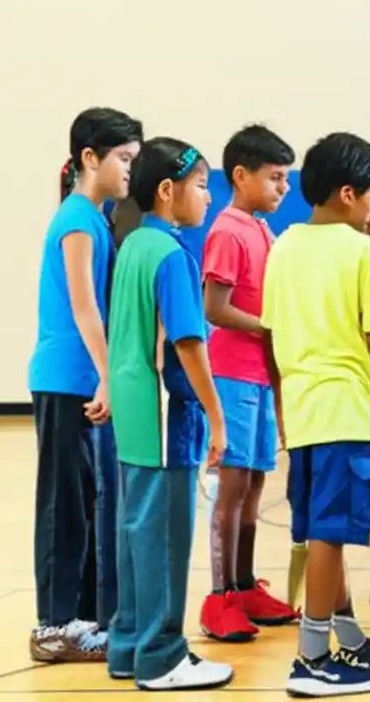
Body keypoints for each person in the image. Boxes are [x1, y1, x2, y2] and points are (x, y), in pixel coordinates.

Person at [262, 132, 370, 697]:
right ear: (348, 194)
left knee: (322, 534)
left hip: (303, 411)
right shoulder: (367, 252)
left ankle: (347, 633)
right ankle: (312, 659)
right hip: (347, 411)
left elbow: (270, 340)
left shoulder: (284, 246)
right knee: (330, 535)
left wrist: (283, 410)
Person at [105, 137, 234, 690]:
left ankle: (129, 645)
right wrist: (218, 416)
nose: (209, 197)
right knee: (165, 538)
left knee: (135, 533)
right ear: (167, 190)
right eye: (203, 185)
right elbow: (188, 344)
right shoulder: (172, 255)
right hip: (165, 418)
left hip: (133, 417)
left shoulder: (132, 244)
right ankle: (161, 656)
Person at [29, 107, 142, 663]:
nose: (129, 170)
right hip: (65, 378)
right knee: (63, 505)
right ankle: (53, 625)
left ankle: (83, 620)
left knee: (87, 503)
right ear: (89, 159)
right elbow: (83, 306)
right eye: (123, 158)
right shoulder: (76, 219)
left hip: (83, 379)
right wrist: (106, 375)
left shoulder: (97, 216)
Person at [198, 124, 298, 642]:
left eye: (287, 178)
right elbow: (215, 308)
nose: (284, 188)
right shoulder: (228, 229)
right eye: (275, 178)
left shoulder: (263, 230)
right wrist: (267, 326)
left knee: (256, 484)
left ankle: (242, 585)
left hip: (260, 375)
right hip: (232, 373)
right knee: (232, 488)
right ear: (241, 176)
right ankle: (218, 599)